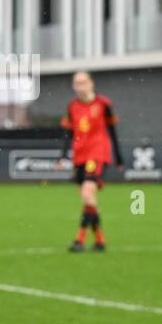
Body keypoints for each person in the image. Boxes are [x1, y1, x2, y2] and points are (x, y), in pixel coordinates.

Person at [63, 71, 123, 251]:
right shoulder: (72, 106)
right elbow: (68, 133)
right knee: (89, 199)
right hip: (79, 155)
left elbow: (112, 130)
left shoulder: (104, 104)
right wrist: (63, 155)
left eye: (83, 83)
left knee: (87, 194)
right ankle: (100, 240)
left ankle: (79, 239)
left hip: (97, 153)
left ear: (91, 83)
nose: (80, 87)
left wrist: (119, 157)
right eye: (77, 84)